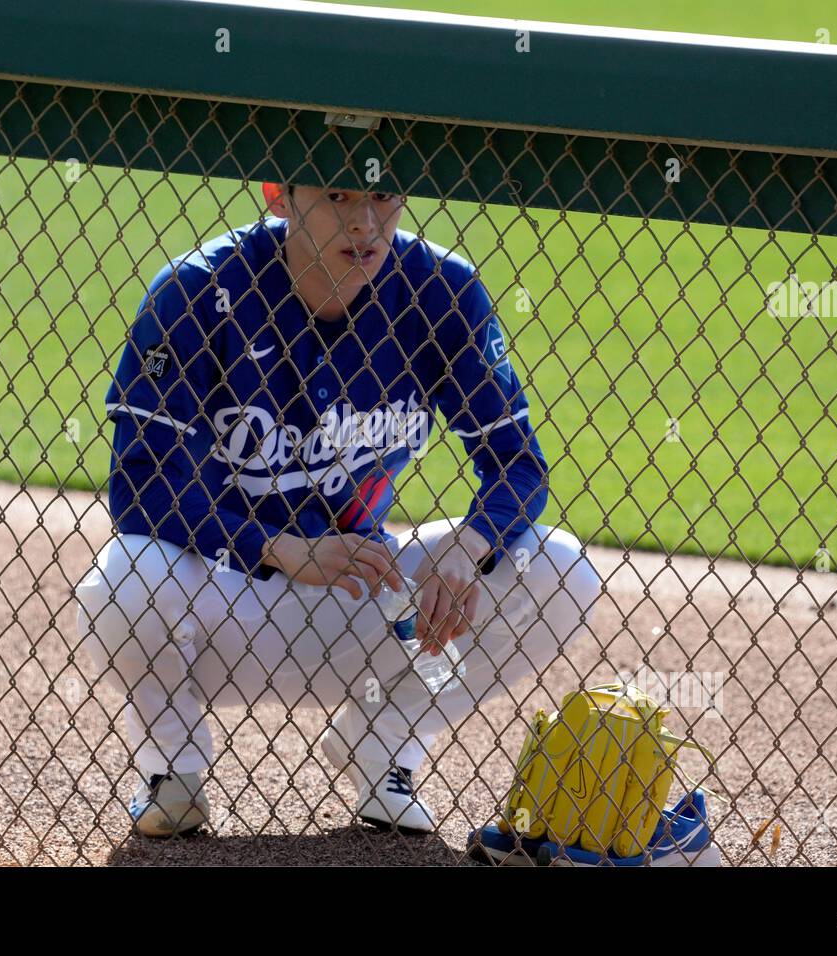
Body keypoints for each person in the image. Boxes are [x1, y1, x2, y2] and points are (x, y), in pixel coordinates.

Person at [74, 182, 602, 837]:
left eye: (384, 196)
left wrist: (470, 547)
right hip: (223, 597)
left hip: (363, 597)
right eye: (339, 195)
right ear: (279, 195)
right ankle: (172, 771)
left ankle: (383, 747)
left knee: (560, 569)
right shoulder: (198, 289)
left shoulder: (441, 288)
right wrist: (277, 547)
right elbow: (142, 485)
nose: (365, 222)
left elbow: (517, 464)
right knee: (128, 576)